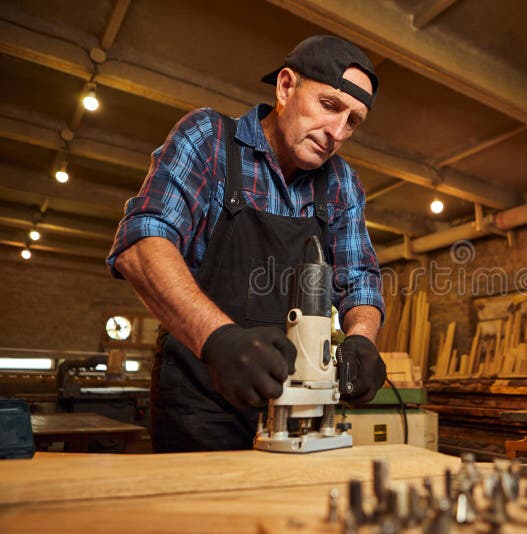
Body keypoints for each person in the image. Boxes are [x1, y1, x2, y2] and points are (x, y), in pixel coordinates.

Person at [107, 35, 386, 452]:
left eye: (352, 121)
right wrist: (218, 339)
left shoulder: (342, 182)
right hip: (200, 397)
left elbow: (360, 277)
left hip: (292, 404)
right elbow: (143, 242)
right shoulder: (210, 139)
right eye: (329, 106)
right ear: (286, 87)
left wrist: (362, 336)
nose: (336, 132)